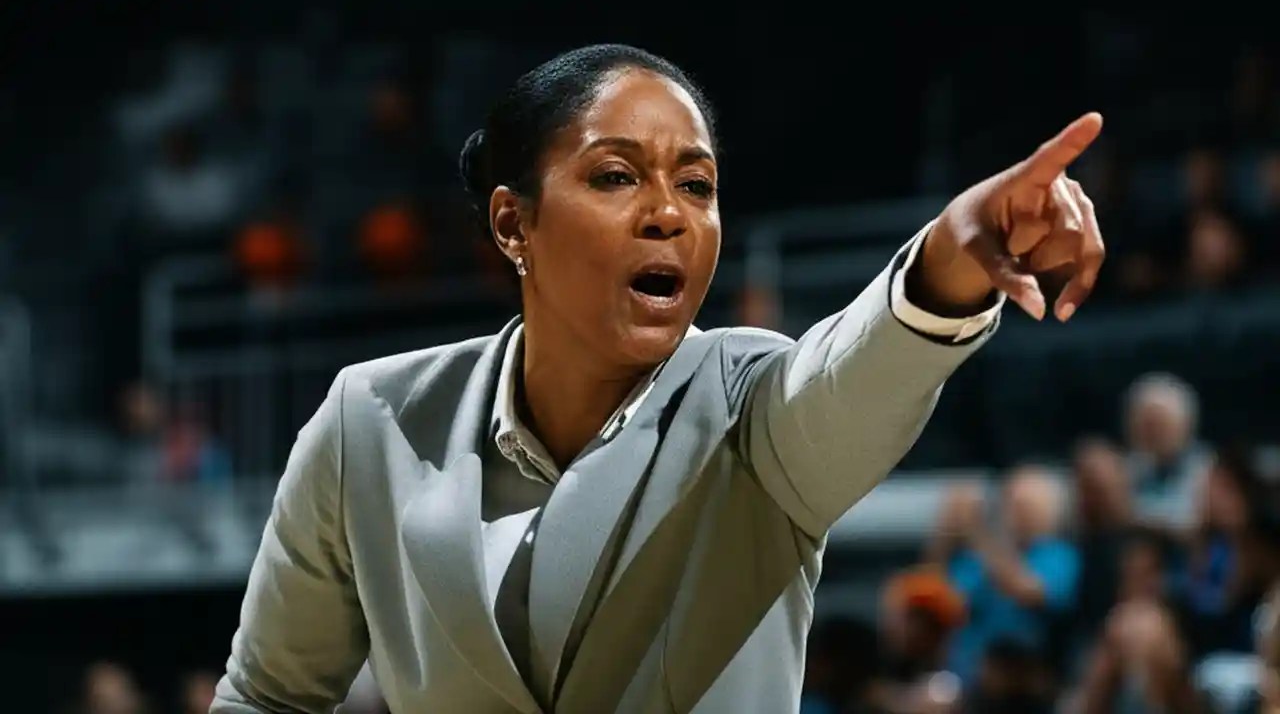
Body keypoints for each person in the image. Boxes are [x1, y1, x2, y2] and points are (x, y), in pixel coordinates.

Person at [212, 44, 1106, 713]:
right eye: (616, 176)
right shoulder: (368, 419)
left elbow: (857, 372)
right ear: (513, 225)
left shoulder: (751, 399)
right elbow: (267, 697)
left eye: (698, 185)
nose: (669, 215)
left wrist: (953, 252)